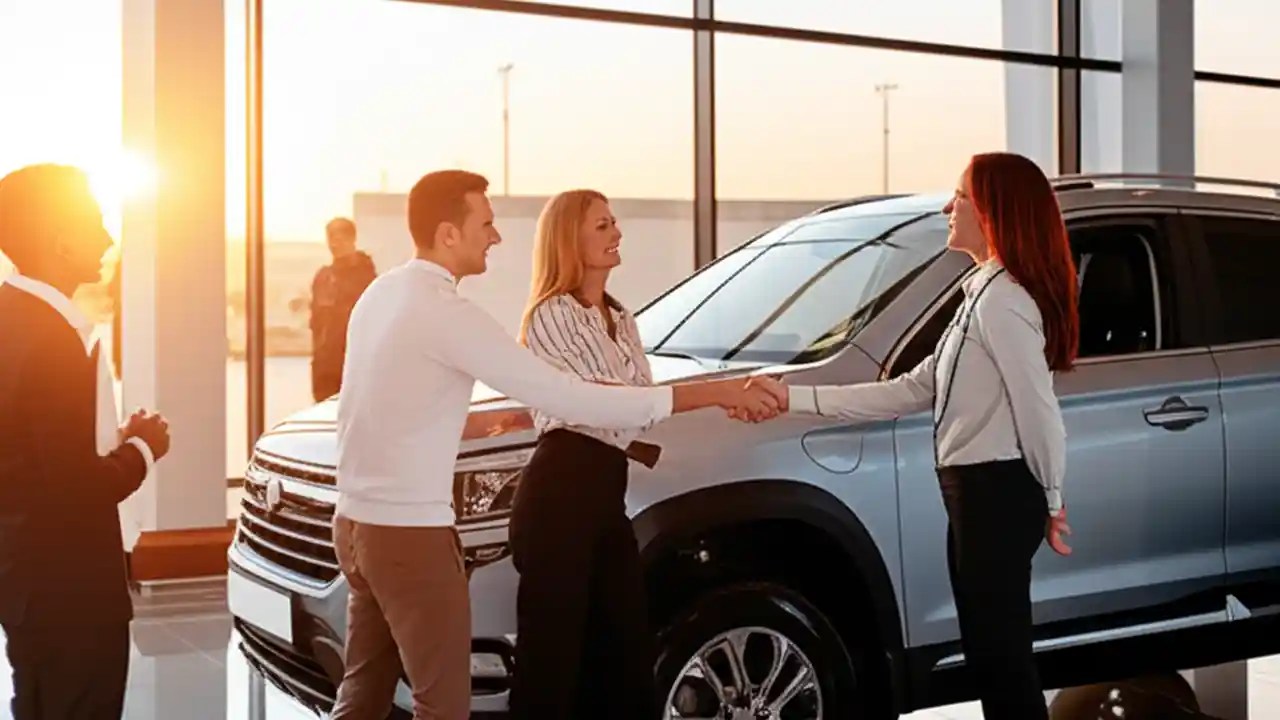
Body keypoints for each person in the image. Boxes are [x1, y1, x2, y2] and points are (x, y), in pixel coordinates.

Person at [330, 170, 783, 720]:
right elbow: (573, 398)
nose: (495, 237)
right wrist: (715, 392)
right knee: (443, 705)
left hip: (355, 525)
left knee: (363, 694)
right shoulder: (449, 314)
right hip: (409, 535)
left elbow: (372, 407)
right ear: (448, 234)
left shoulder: (381, 295)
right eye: (486, 224)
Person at [752, 152, 1077, 720]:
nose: (949, 208)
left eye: (961, 198)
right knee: (993, 657)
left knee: (1001, 661)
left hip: (995, 495)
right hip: (975, 495)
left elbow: (1039, 410)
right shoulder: (980, 294)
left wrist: (1052, 497)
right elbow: (910, 389)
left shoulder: (1002, 301)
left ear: (994, 213)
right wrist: (793, 398)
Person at [0, 163, 171, 719]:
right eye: (94, 221)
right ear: (60, 239)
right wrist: (143, 446)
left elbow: (34, 454)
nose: (106, 239)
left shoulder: (10, 317)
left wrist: (107, 444)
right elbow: (75, 489)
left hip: (26, 583)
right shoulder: (55, 338)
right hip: (72, 592)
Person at [506, 190, 669, 718]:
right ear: (568, 239)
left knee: (624, 658)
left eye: (614, 222)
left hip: (605, 492)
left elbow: (637, 405)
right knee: (550, 668)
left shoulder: (620, 316)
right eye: (602, 226)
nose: (617, 233)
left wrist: (623, 401)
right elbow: (615, 402)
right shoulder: (551, 315)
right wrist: (623, 401)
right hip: (560, 490)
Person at [309, 216, 376, 402]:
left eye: (340, 238)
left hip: (355, 365)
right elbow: (315, 325)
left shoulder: (366, 277)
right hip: (325, 369)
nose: (334, 244)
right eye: (331, 238)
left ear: (352, 239)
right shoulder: (323, 278)